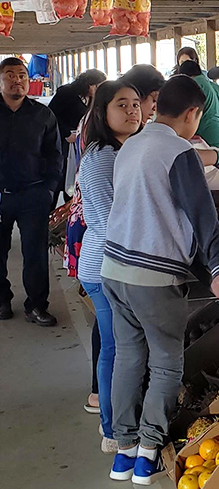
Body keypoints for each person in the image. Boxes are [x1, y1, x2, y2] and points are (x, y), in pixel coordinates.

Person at [101, 75, 219, 484]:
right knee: (164, 365)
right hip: (152, 277)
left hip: (114, 270)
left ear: (156, 106)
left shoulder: (131, 146)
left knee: (128, 357)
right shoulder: (178, 151)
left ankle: (122, 453)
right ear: (193, 113)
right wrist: (218, 268)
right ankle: (147, 453)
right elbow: (202, 214)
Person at [77, 81, 142, 453]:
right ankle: (113, 430)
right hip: (106, 265)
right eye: (123, 105)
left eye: (136, 104)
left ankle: (113, 425)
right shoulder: (103, 156)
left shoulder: (123, 150)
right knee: (116, 347)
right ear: (103, 113)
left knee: (115, 345)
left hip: (112, 263)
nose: (133, 111)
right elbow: (105, 220)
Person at [0, 57, 62, 326]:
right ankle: (1, 300)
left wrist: (49, 190)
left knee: (35, 254)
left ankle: (36, 305)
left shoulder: (42, 114)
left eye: (23, 75)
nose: (18, 80)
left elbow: (55, 155)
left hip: (33, 194)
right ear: (1, 80)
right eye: (11, 75)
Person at [48, 68, 106, 205]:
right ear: (90, 85)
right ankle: (49, 218)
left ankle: (71, 211)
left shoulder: (92, 99)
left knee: (74, 181)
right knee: (58, 178)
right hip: (61, 141)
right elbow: (50, 116)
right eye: (98, 86)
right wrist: (66, 133)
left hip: (78, 144)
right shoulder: (66, 93)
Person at [176, 59, 219, 161]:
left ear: (184, 77)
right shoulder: (217, 88)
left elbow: (187, 113)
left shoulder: (193, 85)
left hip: (210, 139)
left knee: (211, 176)